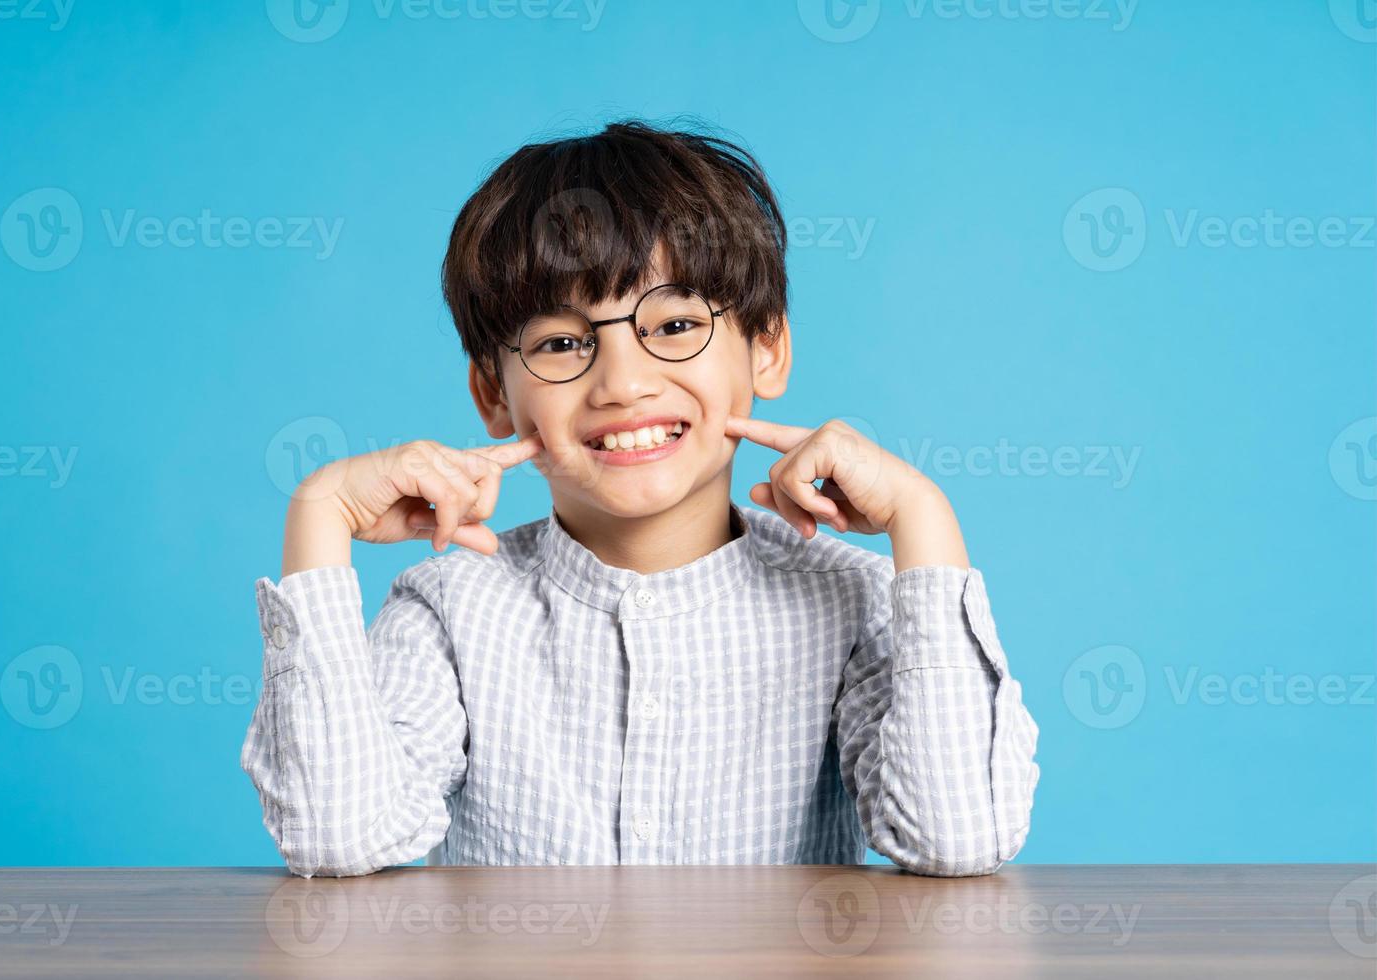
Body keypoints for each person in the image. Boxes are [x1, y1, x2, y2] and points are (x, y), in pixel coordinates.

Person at [240, 118, 1040, 877]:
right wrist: (319, 515)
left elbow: (956, 837)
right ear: (493, 392)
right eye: (562, 343)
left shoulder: (848, 599)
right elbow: (335, 837)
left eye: (675, 324)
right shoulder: (450, 610)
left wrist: (923, 519)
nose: (623, 383)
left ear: (766, 349)